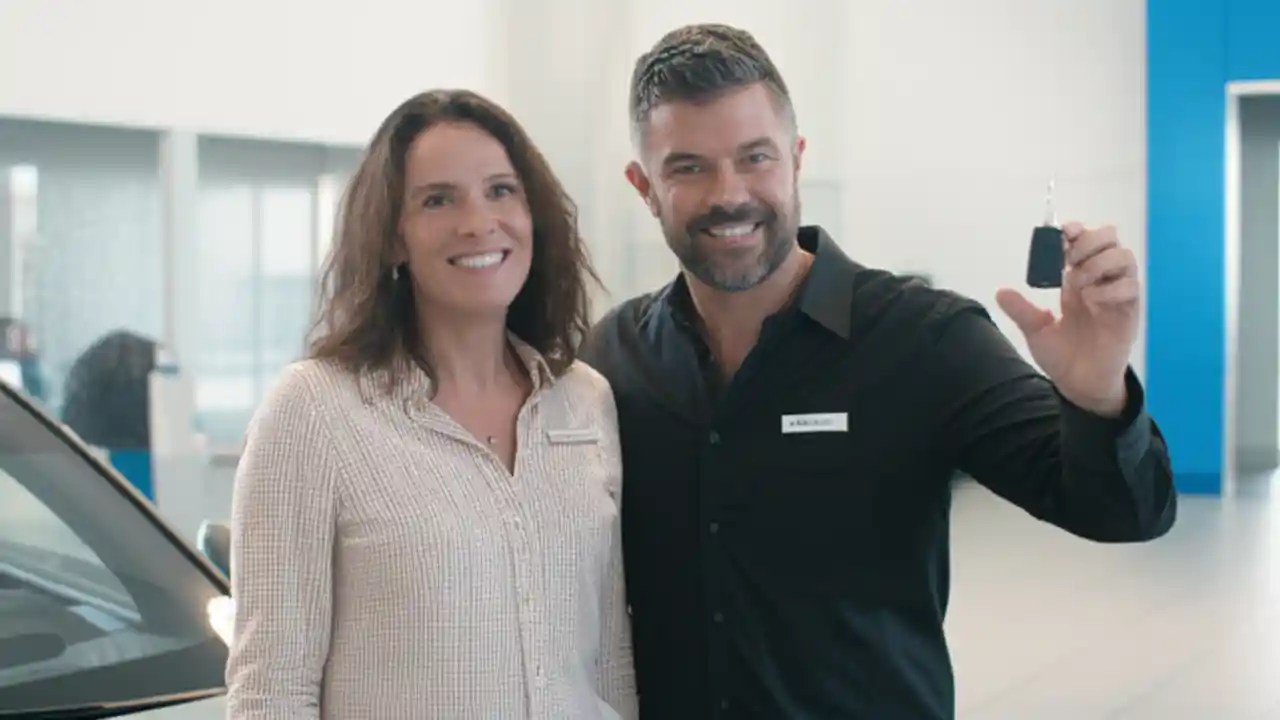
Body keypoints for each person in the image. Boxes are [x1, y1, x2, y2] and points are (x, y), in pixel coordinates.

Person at [579, 23, 1177, 720]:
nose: (729, 193)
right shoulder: (613, 360)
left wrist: (1097, 393)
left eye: (756, 157)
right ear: (643, 186)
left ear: (796, 160)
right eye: (688, 167)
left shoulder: (925, 339)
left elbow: (1126, 513)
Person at [226, 89, 637, 719]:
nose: (478, 221)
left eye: (501, 190)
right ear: (393, 238)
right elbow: (271, 691)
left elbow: (608, 661)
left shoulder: (585, 401)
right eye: (438, 199)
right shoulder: (312, 411)